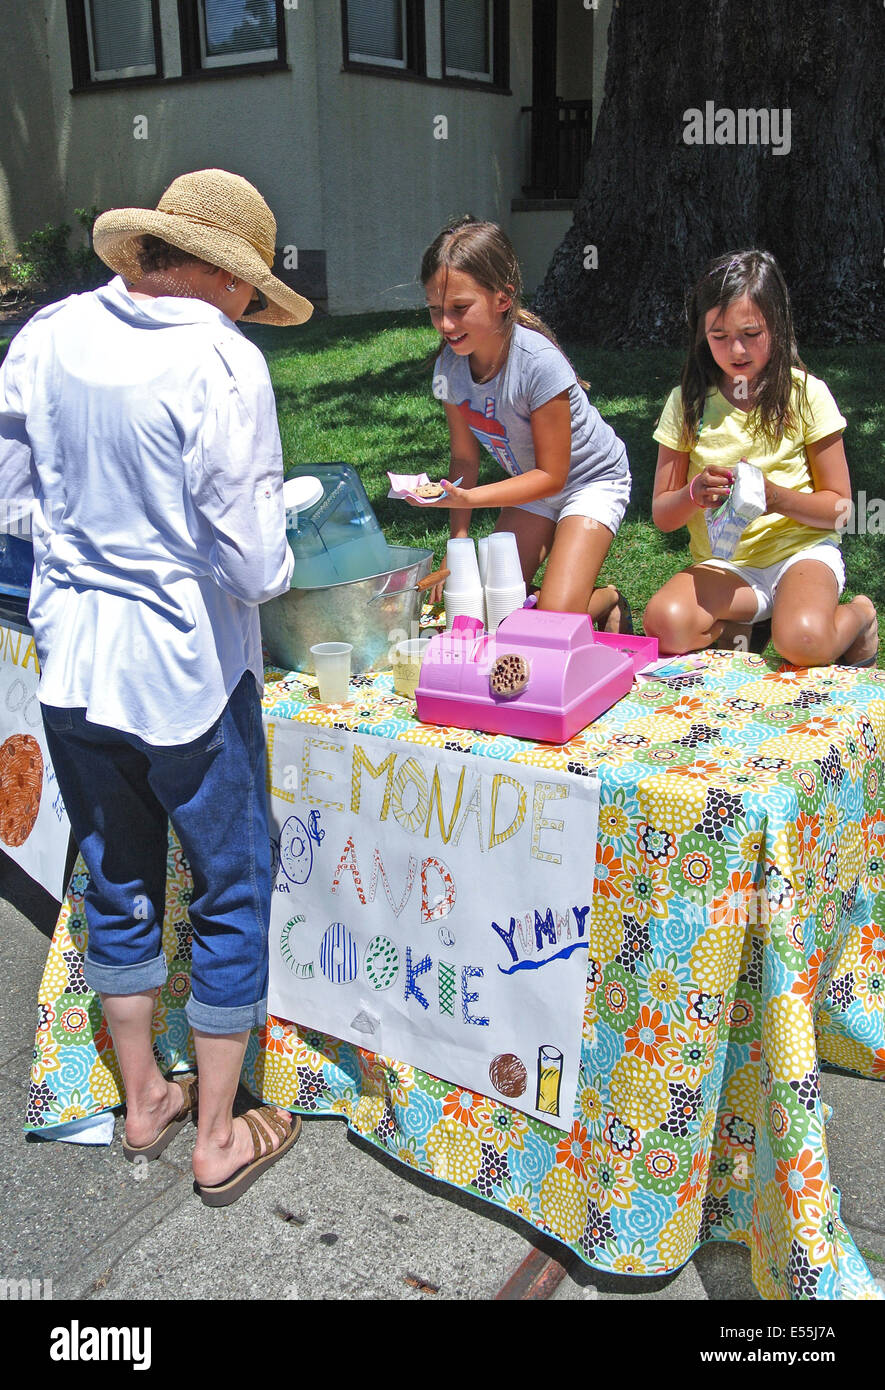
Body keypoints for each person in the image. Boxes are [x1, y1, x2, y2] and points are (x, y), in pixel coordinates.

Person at [0, 169, 312, 1206]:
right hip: (183, 674)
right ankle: (218, 1132)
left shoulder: (45, 335)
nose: (247, 309)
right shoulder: (222, 360)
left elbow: (13, 499)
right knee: (232, 888)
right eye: (248, 290)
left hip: (74, 668)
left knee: (118, 881)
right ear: (226, 277)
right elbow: (256, 566)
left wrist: (96, 545)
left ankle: (143, 1099)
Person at [643, 249, 878, 667]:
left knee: (803, 642)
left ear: (778, 326)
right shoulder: (687, 404)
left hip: (800, 554)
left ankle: (859, 615)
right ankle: (751, 621)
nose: (736, 350)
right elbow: (663, 514)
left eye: (751, 334)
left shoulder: (806, 395)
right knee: (665, 623)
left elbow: (841, 510)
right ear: (701, 335)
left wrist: (777, 498)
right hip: (729, 566)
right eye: (719, 336)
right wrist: (692, 494)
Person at [416, 217, 633, 629]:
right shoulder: (449, 368)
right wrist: (458, 539)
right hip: (531, 484)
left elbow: (554, 476)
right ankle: (551, 606)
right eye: (435, 311)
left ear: (503, 298)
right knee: (488, 606)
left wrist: (470, 500)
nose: (445, 325)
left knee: (554, 618)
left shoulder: (538, 364)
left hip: (591, 481)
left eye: (459, 309)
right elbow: (464, 460)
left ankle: (608, 599)